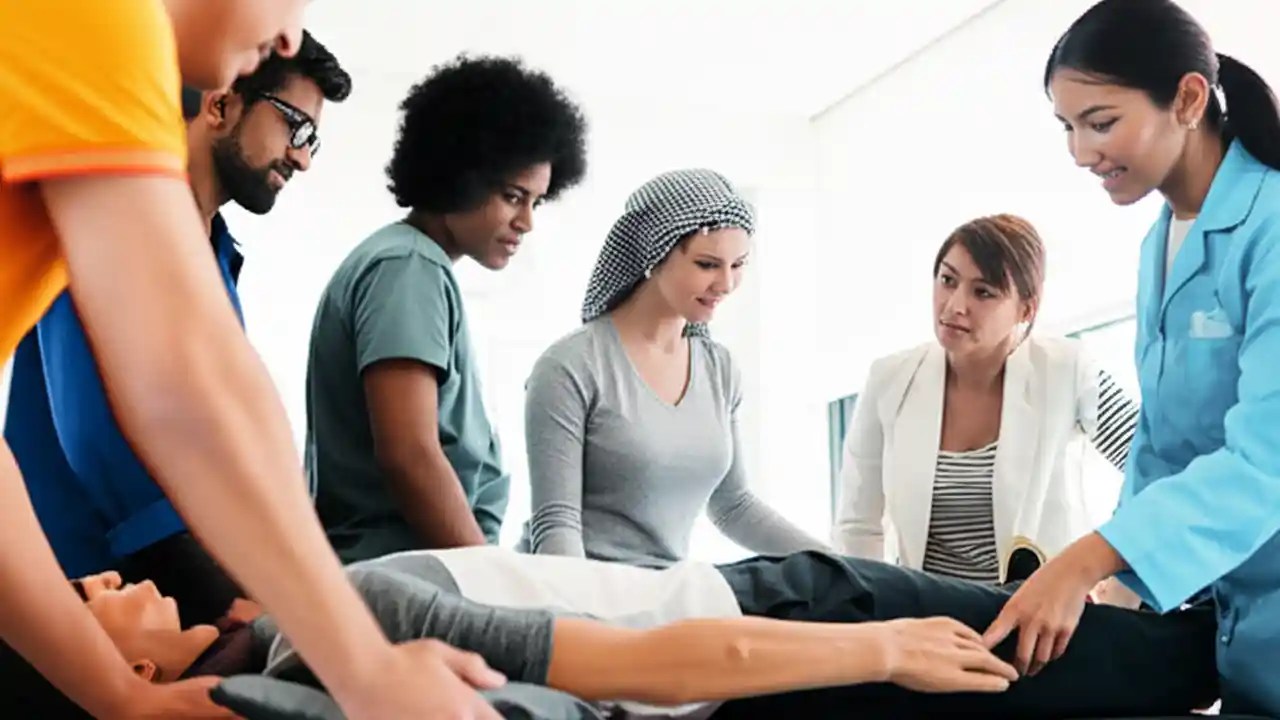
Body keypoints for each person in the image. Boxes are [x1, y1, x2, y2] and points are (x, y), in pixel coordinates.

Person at [0, 2, 514, 718]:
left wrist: (120, 697)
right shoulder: (92, 22)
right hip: (107, 578)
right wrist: (361, 662)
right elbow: (182, 393)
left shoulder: (206, 246)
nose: (289, 32)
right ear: (220, 109)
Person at [981, 1, 1280, 716]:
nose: (1082, 153)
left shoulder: (1270, 224)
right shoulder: (1162, 243)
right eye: (1068, 128)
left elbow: (1265, 458)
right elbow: (1165, 444)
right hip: (1242, 623)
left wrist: (1089, 556)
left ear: (1187, 99)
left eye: (1101, 122)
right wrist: (1118, 589)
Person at [8, 549, 1223, 720]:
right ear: (122, 670)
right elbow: (643, 664)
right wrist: (889, 643)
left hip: (767, 624)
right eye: (85, 589)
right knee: (1175, 670)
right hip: (778, 626)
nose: (107, 570)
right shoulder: (350, 627)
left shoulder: (305, 630)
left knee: (1145, 669)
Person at [5, 31, 352, 629]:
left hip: (171, 606)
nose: (303, 158)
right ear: (220, 106)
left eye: (314, 139)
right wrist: (220, 594)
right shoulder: (108, 214)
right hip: (87, 610)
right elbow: (100, 437)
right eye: (296, 128)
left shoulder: (213, 255)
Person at [306, 55, 588, 563]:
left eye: (536, 202)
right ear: (457, 174)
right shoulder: (407, 266)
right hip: (404, 572)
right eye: (511, 196)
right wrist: (485, 581)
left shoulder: (406, 261)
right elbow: (409, 455)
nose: (525, 221)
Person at [523, 169, 825, 566]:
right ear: (654, 254)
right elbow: (556, 526)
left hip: (668, 594)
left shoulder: (719, 370)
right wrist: (590, 618)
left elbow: (733, 506)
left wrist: (841, 565)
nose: (727, 284)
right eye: (707, 264)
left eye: (738, 265)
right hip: (584, 597)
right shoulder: (570, 367)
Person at [833, 214, 1139, 585]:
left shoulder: (1067, 370)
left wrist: (1113, 575)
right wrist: (874, 617)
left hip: (1041, 617)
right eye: (947, 281)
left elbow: (1151, 466)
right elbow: (858, 527)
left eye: (983, 292)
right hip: (929, 619)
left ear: (1025, 309)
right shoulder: (890, 379)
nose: (954, 306)